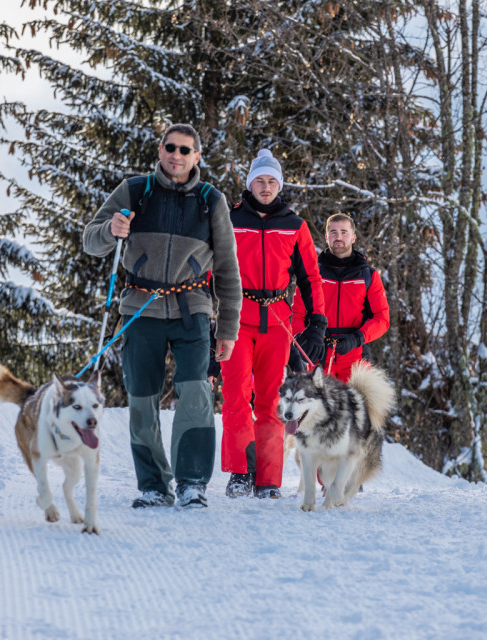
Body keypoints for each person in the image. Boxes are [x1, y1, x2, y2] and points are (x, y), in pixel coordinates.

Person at [83, 124, 241, 509]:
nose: (176, 155)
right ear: (160, 149)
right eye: (170, 148)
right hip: (141, 308)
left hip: (193, 309)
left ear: (197, 157)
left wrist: (228, 328)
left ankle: (191, 483)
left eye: (185, 150)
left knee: (196, 395)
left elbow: (227, 268)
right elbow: (91, 240)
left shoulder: (210, 199)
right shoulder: (134, 190)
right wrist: (111, 229)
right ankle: (153, 484)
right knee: (142, 399)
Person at [221, 149, 327, 499]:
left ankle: (267, 480)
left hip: (277, 322)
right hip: (237, 319)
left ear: (279, 186)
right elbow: (212, 271)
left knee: (271, 401)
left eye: (272, 181)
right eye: (259, 180)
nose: (265, 187)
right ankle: (239, 473)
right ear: (249, 183)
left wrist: (317, 324)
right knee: (236, 397)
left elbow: (310, 277)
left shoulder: (294, 226)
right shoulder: (231, 220)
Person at [291, 213, 390, 383]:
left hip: (355, 359)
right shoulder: (312, 274)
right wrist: (302, 341)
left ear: (353, 237)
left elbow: (382, 319)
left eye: (344, 232)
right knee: (319, 409)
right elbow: (297, 314)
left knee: (355, 409)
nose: (339, 237)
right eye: (333, 232)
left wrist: (357, 339)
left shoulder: (368, 275)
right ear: (326, 236)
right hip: (318, 357)